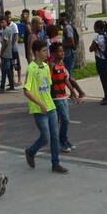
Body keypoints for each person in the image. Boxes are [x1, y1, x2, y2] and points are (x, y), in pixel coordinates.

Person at [23, 39, 67, 173]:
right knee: (45, 137)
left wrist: (57, 101)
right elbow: (26, 90)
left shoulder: (47, 67)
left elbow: (48, 87)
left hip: (50, 107)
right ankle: (30, 151)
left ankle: (56, 163)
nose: (47, 52)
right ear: (36, 52)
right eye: (44, 50)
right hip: (38, 109)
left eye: (47, 50)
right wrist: (39, 103)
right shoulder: (31, 68)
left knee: (55, 136)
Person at [49, 41, 84, 153]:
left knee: (62, 120)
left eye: (63, 51)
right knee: (65, 120)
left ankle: (64, 140)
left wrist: (73, 93)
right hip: (56, 97)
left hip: (63, 96)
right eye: (60, 51)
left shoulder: (61, 63)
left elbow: (66, 79)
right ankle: (61, 142)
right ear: (53, 53)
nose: (62, 53)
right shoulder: (51, 66)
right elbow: (48, 82)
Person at [88, 19, 107, 105]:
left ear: (98, 28)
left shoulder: (97, 38)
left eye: (94, 26)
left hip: (101, 61)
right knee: (105, 79)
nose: (93, 27)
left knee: (104, 80)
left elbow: (90, 49)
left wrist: (96, 47)